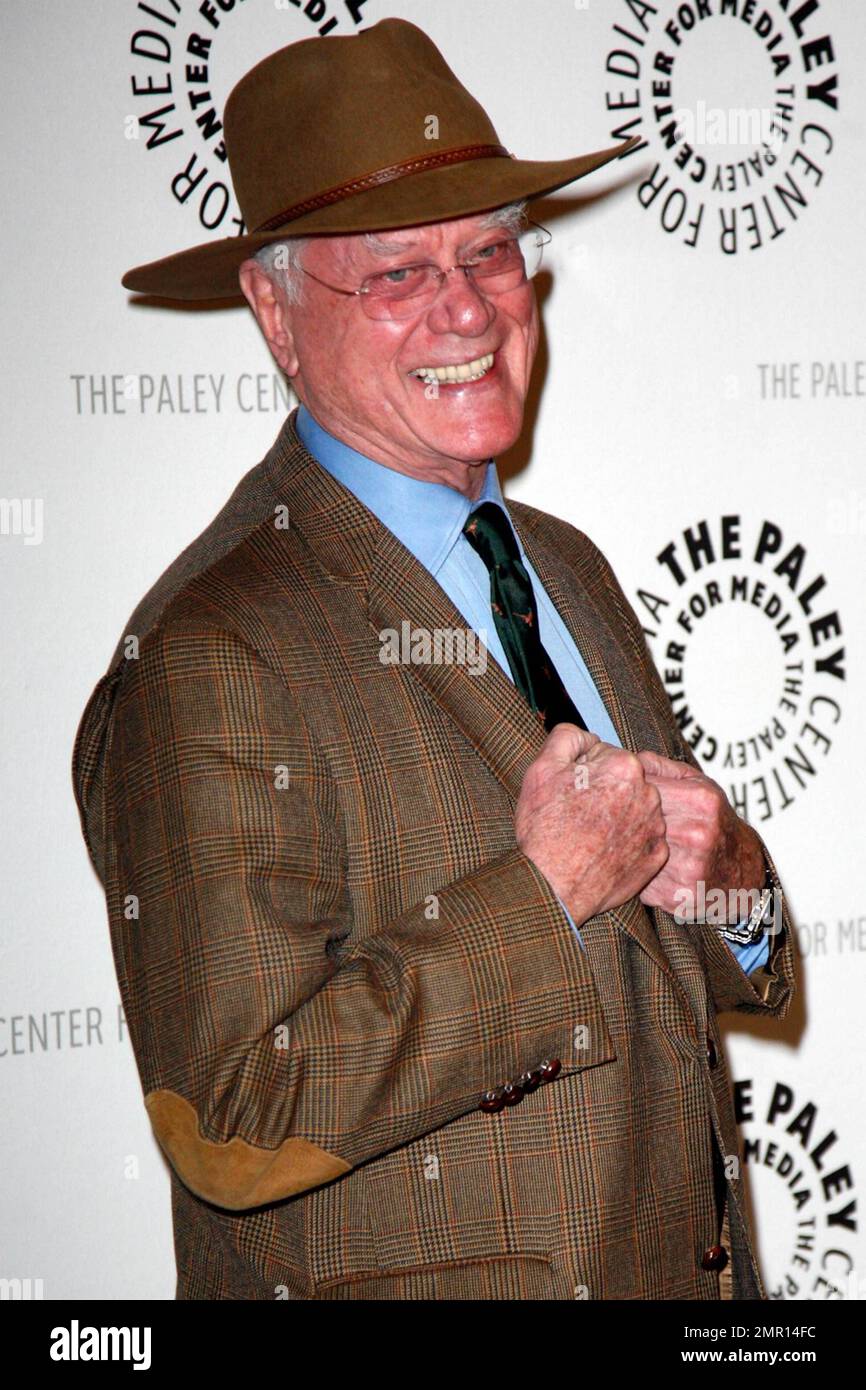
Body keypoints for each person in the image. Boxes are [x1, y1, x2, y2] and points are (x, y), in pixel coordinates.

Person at [72, 18, 795, 1301]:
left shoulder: (566, 568)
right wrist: (544, 894)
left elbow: (700, 966)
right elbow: (232, 1118)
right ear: (275, 313)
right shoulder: (209, 649)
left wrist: (729, 880)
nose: (466, 307)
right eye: (397, 272)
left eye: (487, 253)